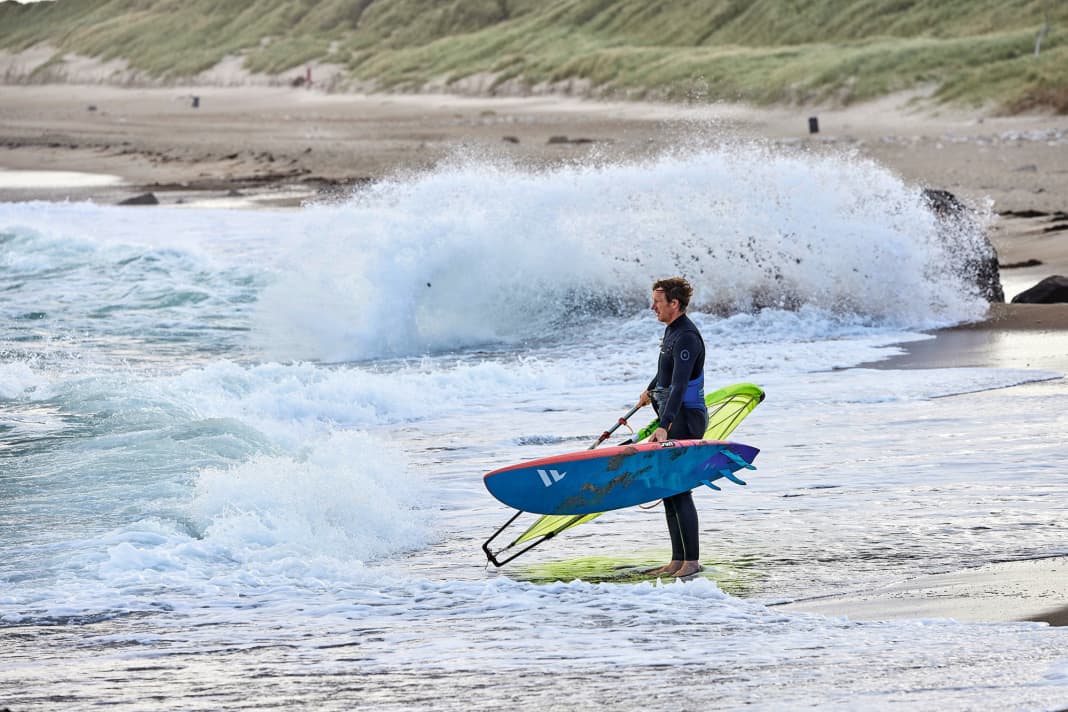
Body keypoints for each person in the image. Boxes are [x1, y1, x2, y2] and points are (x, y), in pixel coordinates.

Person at [636, 277, 708, 578]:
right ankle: (677, 560)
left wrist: (664, 425)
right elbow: (666, 372)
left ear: (674, 304)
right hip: (673, 416)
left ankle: (691, 561)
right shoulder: (672, 331)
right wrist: (650, 389)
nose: (653, 307)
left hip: (686, 419)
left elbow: (679, 385)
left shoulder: (687, 336)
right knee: (669, 488)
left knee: (679, 488)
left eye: (658, 302)